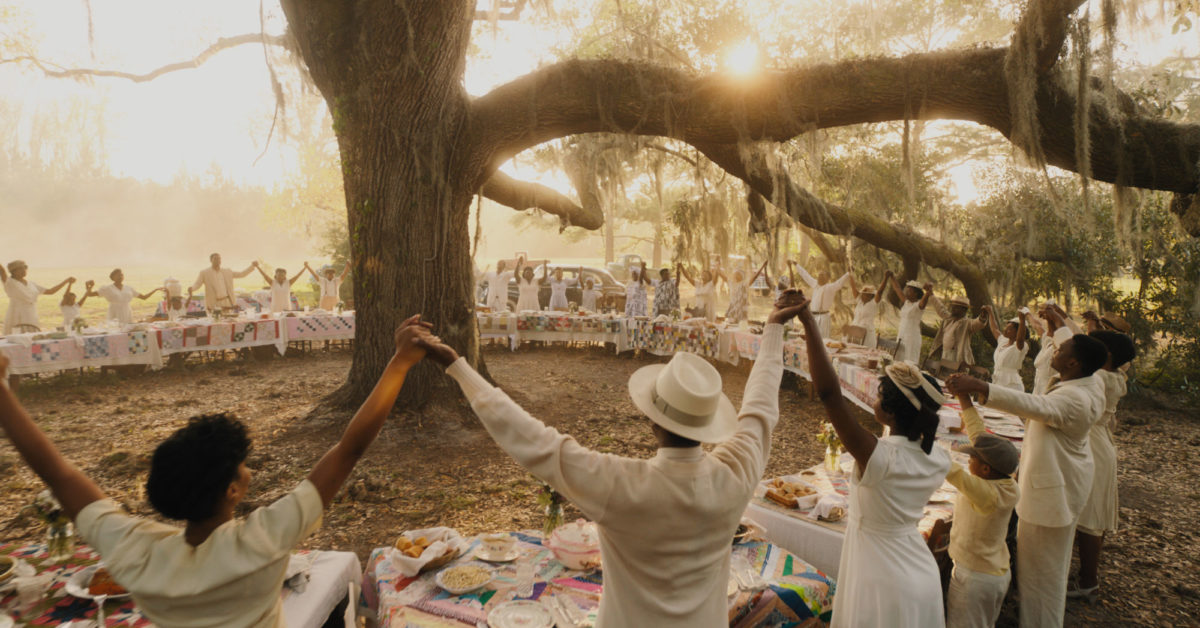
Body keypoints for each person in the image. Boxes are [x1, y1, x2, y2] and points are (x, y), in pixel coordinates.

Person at [0, 315, 428, 626]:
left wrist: (2, 394)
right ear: (231, 491)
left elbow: (58, 475)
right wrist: (399, 364)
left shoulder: (135, 552)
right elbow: (349, 450)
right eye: (243, 466)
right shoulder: (262, 540)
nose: (248, 471)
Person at [415, 292, 805, 627]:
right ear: (709, 423)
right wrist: (773, 330)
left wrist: (457, 366)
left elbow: (536, 441)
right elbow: (760, 408)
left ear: (653, 421)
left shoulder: (621, 485)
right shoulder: (737, 471)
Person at [801, 289, 949, 627]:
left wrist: (809, 321)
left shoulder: (879, 459)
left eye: (880, 395)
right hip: (919, 573)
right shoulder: (938, 458)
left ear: (892, 412)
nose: (873, 398)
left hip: (882, 579)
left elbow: (829, 394)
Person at [945, 333, 1107, 628]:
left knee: (1041, 582)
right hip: (1061, 485)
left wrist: (982, 387)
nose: (1054, 350)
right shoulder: (1089, 380)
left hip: (1051, 499)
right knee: (1041, 575)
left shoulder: (1076, 399)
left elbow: (1033, 405)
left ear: (1073, 362)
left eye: (1060, 349)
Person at [943, 388, 1020, 628]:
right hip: (996, 573)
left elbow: (952, 472)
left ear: (985, 469)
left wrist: (918, 437)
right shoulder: (1008, 482)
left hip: (974, 579)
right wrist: (963, 398)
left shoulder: (986, 494)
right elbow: (978, 434)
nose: (968, 460)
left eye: (971, 459)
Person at [1070, 325, 1135, 600]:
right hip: (1101, 442)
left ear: (1105, 355)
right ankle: (1086, 574)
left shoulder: (1098, 378)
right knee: (1093, 514)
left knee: (1090, 518)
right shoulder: (1117, 375)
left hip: (1094, 444)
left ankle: (1088, 580)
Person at [1, 260, 74, 334]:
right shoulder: (9, 282)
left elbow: (50, 291)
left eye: (25, 268)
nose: (24, 270)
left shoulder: (31, 284)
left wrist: (66, 281)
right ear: (13, 271)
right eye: (20, 268)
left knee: (32, 336)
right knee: (16, 337)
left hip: (31, 315)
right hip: (16, 315)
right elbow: (2, 270)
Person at [791, 260, 851, 338]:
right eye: (819, 275)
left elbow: (840, 283)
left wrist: (848, 273)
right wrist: (797, 265)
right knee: (812, 338)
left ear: (827, 279)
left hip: (824, 318)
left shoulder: (830, 287)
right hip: (813, 316)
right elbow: (806, 275)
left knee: (822, 339)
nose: (820, 276)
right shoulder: (815, 284)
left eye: (822, 275)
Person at [928, 293, 987, 366]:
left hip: (958, 357)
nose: (953, 309)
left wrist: (982, 317)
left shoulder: (967, 323)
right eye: (953, 306)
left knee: (954, 372)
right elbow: (940, 308)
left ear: (963, 310)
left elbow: (977, 324)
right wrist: (931, 294)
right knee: (943, 371)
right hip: (945, 353)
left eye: (956, 307)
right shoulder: (948, 319)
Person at [886, 274, 934, 364]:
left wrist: (928, 291)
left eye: (909, 291)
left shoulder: (918, 306)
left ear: (916, 293)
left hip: (912, 338)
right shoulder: (906, 302)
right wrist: (892, 277)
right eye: (906, 290)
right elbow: (897, 289)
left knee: (908, 361)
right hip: (902, 335)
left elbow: (924, 301)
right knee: (897, 360)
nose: (906, 292)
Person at [189, 253, 257, 314]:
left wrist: (252, 266)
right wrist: (192, 289)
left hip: (227, 302)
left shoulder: (227, 271)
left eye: (219, 259)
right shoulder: (204, 273)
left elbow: (242, 274)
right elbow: (197, 284)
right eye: (215, 259)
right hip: (213, 302)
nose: (218, 260)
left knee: (228, 321)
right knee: (215, 320)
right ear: (211, 260)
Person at [92, 269, 163, 325]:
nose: (120, 277)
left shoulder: (128, 288)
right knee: (115, 329)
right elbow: (91, 294)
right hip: (114, 311)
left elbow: (144, 297)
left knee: (127, 330)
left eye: (121, 275)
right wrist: (89, 287)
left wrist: (155, 290)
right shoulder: (107, 288)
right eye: (118, 275)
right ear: (113, 277)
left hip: (126, 311)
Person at [985, 307, 1029, 391]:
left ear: (1018, 332)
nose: (1005, 330)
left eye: (1010, 329)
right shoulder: (1003, 341)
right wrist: (990, 312)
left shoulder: (1021, 346)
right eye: (1006, 327)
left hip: (1011, 385)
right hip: (997, 382)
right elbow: (994, 329)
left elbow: (1020, 339)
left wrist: (1022, 320)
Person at [847, 273, 887, 347]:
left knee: (864, 350)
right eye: (863, 293)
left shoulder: (874, 303)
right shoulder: (860, 301)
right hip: (855, 332)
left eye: (866, 294)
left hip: (867, 332)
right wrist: (851, 276)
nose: (863, 295)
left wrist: (886, 278)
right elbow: (853, 288)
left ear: (871, 296)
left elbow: (880, 292)